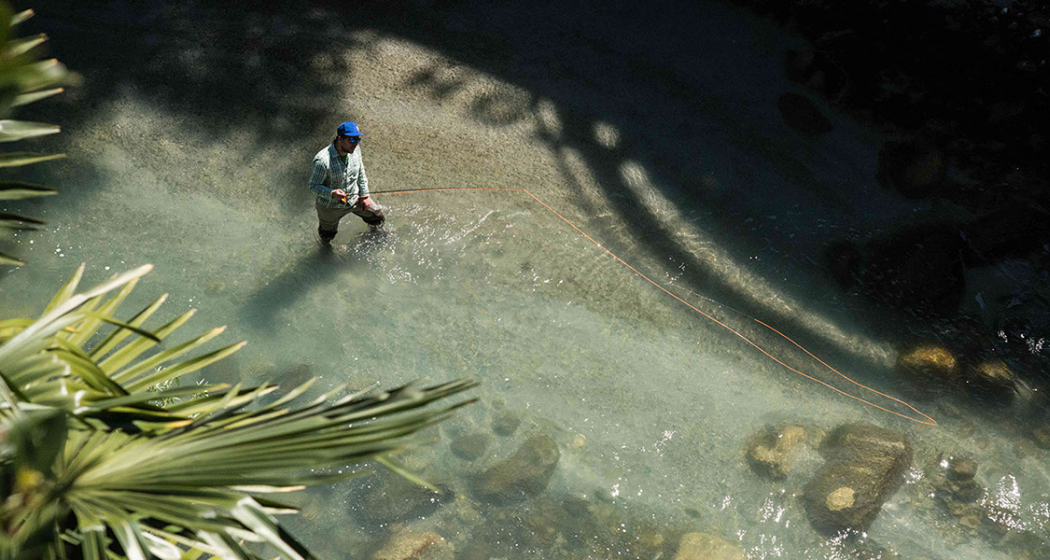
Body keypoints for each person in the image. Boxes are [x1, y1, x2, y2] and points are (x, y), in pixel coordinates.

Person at [308, 121, 385, 243]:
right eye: (352, 140)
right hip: (330, 207)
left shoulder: (355, 150)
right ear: (340, 138)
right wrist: (332, 193)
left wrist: (364, 195)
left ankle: (378, 236)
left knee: (377, 215)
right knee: (327, 235)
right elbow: (313, 186)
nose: (355, 144)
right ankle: (325, 250)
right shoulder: (322, 161)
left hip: (355, 199)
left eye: (357, 139)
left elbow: (361, 172)